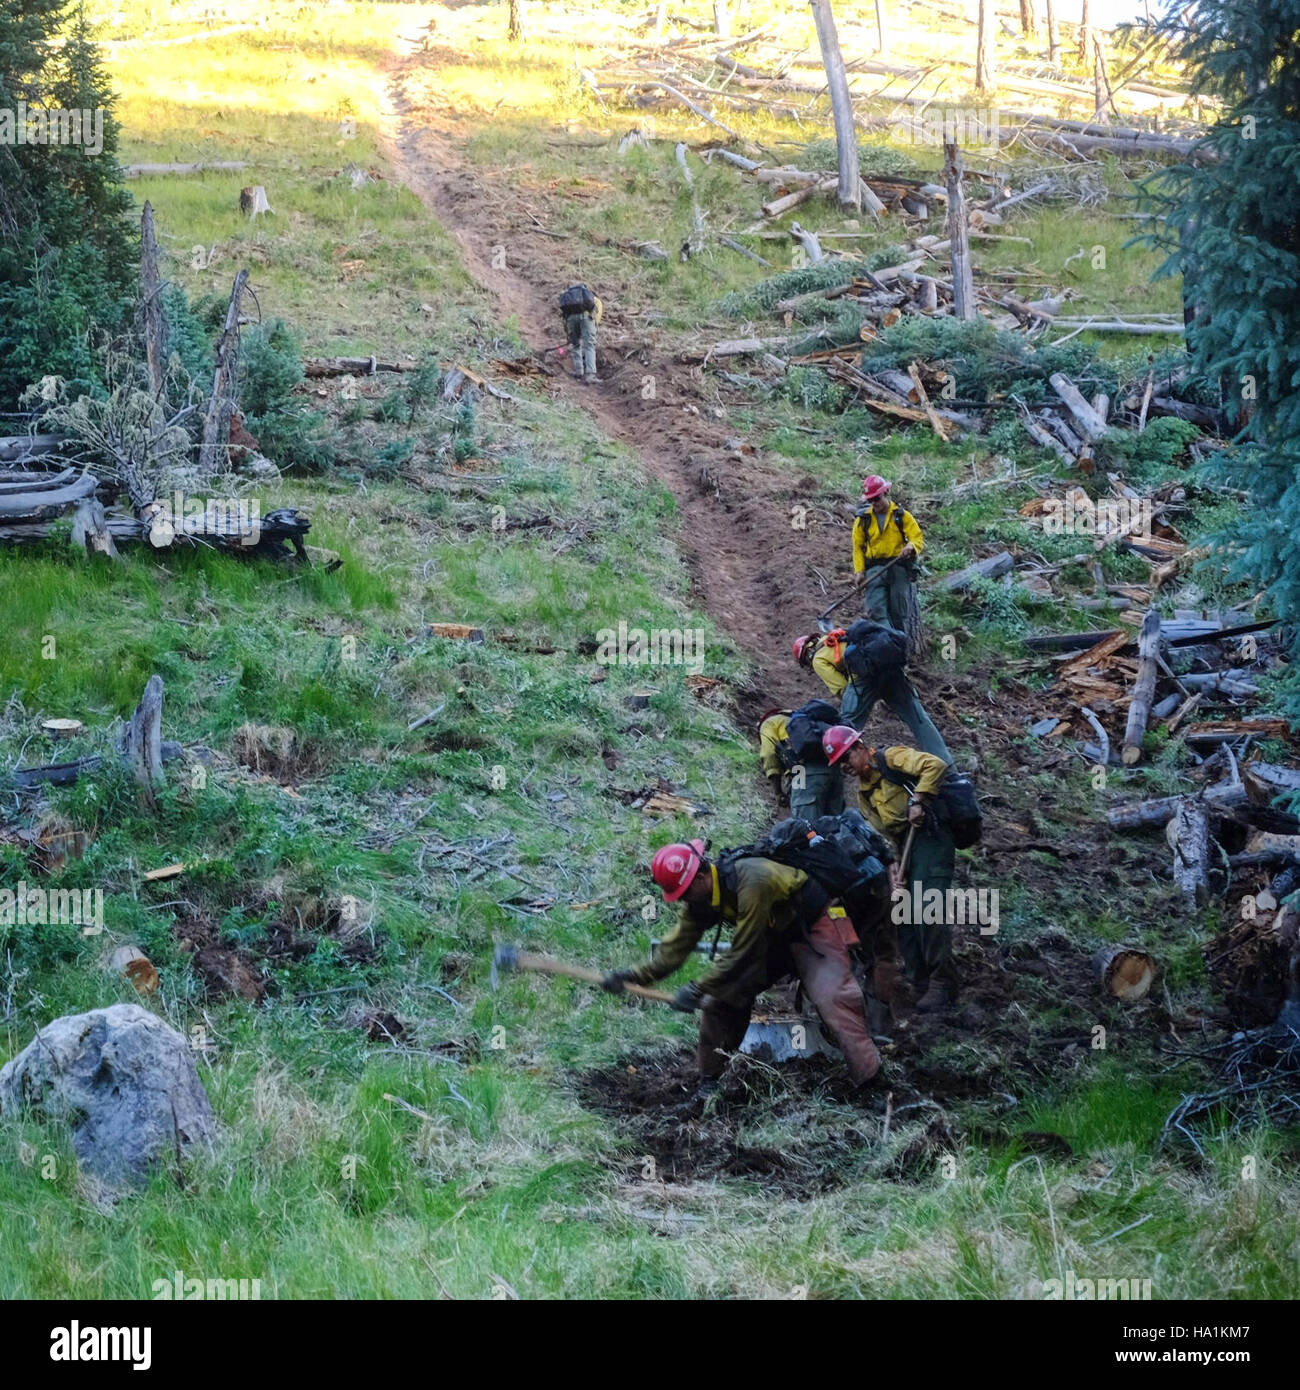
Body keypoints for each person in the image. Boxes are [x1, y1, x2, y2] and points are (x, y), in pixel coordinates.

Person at [603, 840, 881, 1090]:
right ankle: (710, 1082)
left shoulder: (752, 879)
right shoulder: (700, 897)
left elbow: (743, 950)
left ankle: (871, 1078)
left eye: (685, 892)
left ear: (700, 877)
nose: (684, 899)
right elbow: (675, 949)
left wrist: (697, 988)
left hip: (812, 925)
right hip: (772, 937)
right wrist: (633, 977)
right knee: (718, 1002)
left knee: (832, 996)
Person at [823, 725, 959, 1014]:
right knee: (902, 912)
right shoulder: (864, 795)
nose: (846, 767)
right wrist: (895, 869)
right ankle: (918, 980)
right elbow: (883, 834)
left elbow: (935, 765)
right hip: (904, 846)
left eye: (847, 758)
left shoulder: (892, 758)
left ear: (859, 747)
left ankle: (942, 982)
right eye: (841, 764)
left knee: (927, 904)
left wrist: (918, 799)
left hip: (931, 837)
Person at [792, 625, 951, 762]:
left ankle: (838, 774)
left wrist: (856, 703)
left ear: (806, 656)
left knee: (844, 731)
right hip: (889, 670)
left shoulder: (818, 659)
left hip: (862, 679)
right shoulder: (837, 636)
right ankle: (946, 766)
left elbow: (841, 687)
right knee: (918, 718)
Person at [853, 474, 924, 631]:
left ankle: (898, 642)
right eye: (870, 500)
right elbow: (857, 547)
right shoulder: (863, 520)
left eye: (877, 498)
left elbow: (917, 538)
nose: (874, 503)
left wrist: (911, 547)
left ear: (885, 493)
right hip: (874, 571)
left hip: (898, 568)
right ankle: (888, 641)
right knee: (875, 611)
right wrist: (859, 571)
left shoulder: (901, 516)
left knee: (899, 613)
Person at [757, 699, 843, 821]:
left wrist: (778, 792)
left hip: (801, 771)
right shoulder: (804, 720)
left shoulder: (769, 723)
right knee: (836, 825)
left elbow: (769, 753)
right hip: (833, 768)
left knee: (806, 826)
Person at [559, 282, 602, 382]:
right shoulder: (593, 299)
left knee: (576, 345)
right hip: (586, 318)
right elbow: (597, 313)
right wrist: (593, 326)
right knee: (589, 345)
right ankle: (590, 375)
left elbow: (563, 315)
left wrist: (568, 333)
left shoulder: (569, 299)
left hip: (570, 319)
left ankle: (579, 372)